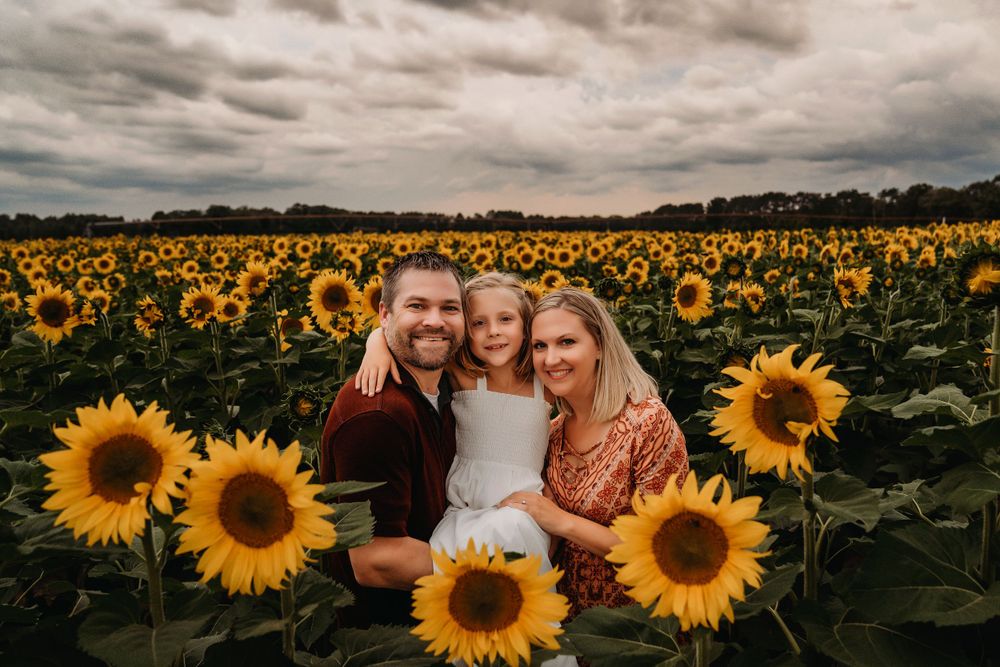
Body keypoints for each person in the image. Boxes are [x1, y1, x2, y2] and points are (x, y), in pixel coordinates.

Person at [499, 287, 688, 618]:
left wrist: (561, 521)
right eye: (540, 346)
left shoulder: (646, 422)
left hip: (637, 629)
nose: (551, 358)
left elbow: (666, 550)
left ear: (599, 345)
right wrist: (380, 342)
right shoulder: (552, 432)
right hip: (567, 627)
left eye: (567, 342)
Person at [356, 272, 558, 572]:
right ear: (464, 329)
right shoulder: (466, 376)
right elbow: (400, 339)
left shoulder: (545, 384)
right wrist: (375, 345)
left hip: (525, 511)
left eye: (506, 319)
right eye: (479, 323)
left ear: (526, 326)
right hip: (468, 511)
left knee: (522, 591)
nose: (493, 332)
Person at [320, 251, 465, 628]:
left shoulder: (450, 383)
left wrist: (376, 341)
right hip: (393, 638)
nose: (435, 321)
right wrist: (505, 574)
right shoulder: (378, 416)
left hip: (446, 620)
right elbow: (376, 560)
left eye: (449, 308)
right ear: (384, 314)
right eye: (417, 306)